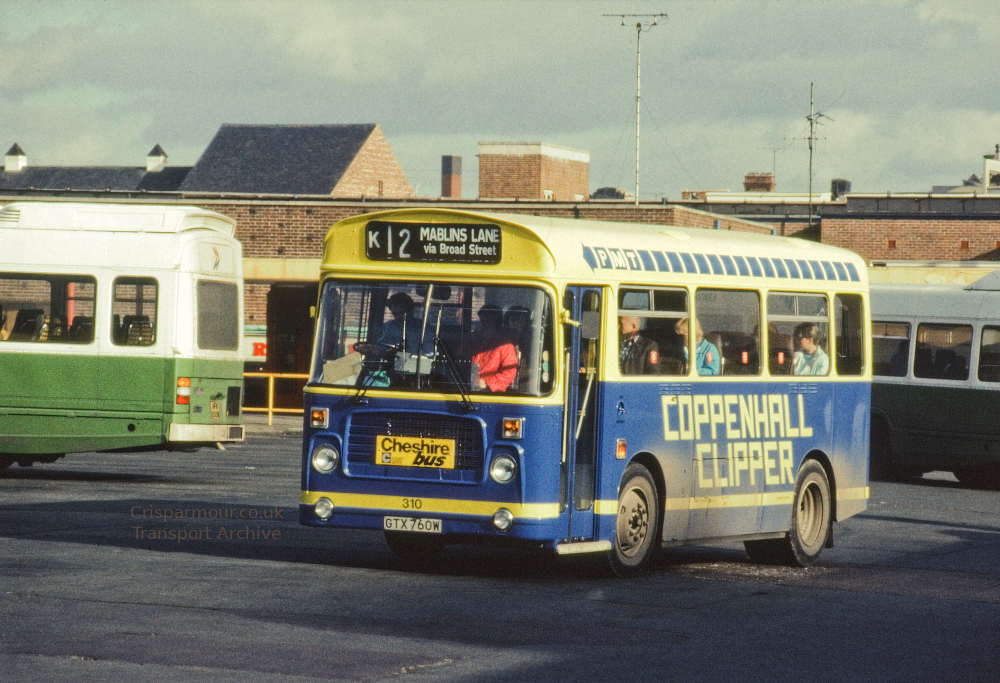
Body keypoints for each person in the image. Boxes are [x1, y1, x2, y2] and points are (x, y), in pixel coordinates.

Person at [469, 305, 518, 392]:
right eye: (482, 320)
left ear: (496, 323)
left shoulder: (505, 345)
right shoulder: (474, 338)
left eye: (487, 321)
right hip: (464, 386)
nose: (483, 324)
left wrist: (488, 384)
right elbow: (460, 359)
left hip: (490, 393)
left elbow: (509, 373)